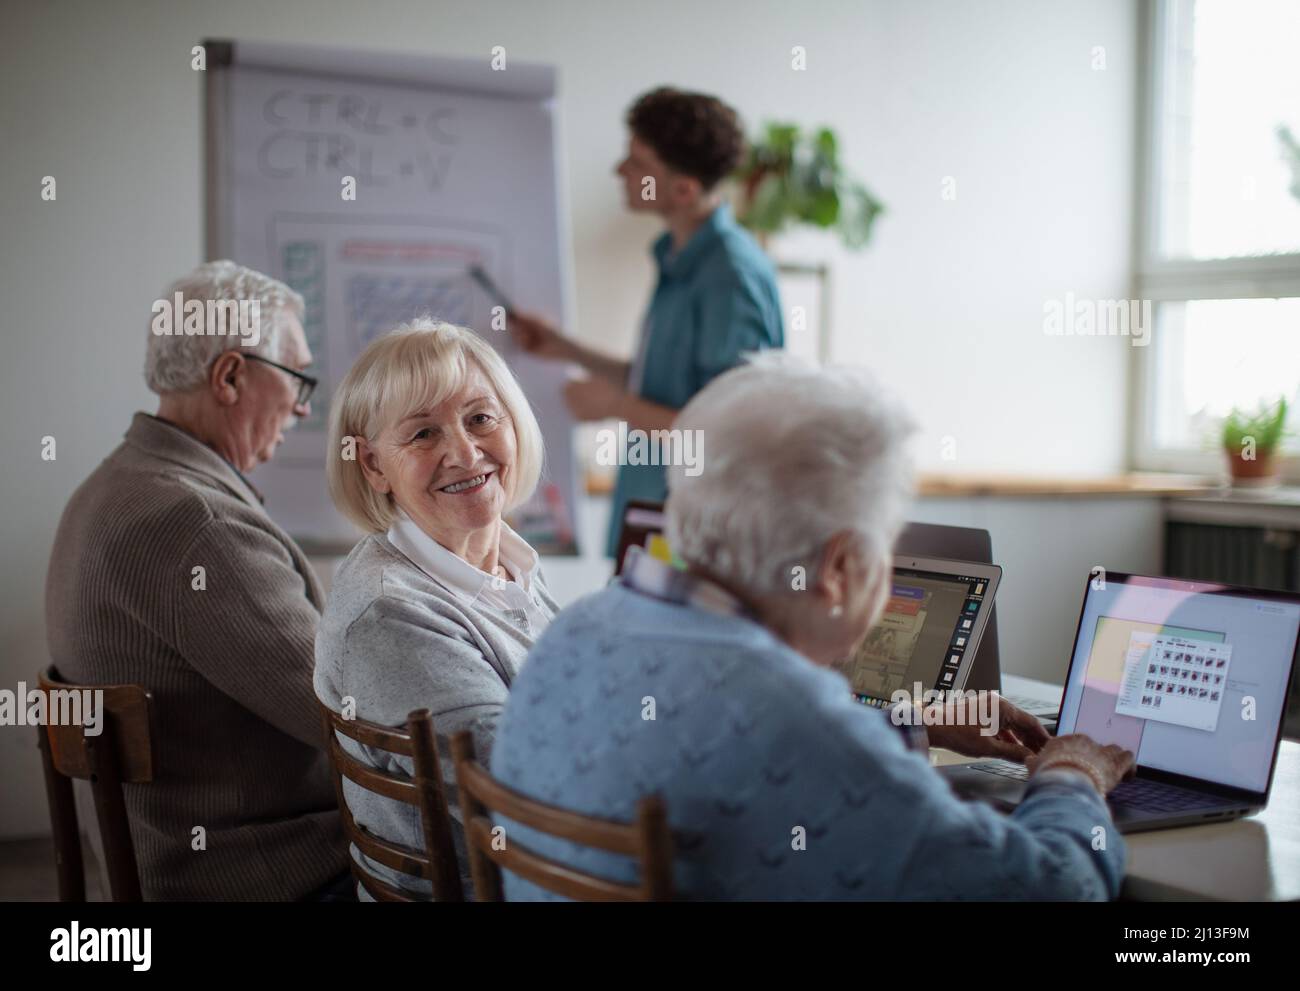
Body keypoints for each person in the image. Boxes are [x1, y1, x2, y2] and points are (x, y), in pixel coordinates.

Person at [493, 353, 1135, 900]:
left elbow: (727, 757)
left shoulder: (573, 630)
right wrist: (1071, 772)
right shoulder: (794, 716)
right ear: (843, 566)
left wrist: (906, 725)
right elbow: (1056, 888)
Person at [45, 260, 348, 900]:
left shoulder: (109, 487)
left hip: (162, 865)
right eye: (297, 377)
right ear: (231, 376)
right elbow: (346, 715)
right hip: (258, 876)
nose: (300, 406)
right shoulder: (195, 522)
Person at [315, 318, 558, 899]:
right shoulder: (390, 615)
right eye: (423, 434)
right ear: (374, 466)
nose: (465, 451)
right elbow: (536, 797)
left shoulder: (511, 566)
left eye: (480, 418)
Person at [510, 86, 784, 557]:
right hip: (652, 517)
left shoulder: (731, 276)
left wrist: (615, 404)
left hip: (696, 533)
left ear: (683, 189)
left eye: (637, 162)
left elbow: (730, 429)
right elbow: (664, 385)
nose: (619, 171)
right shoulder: (679, 257)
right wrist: (567, 349)